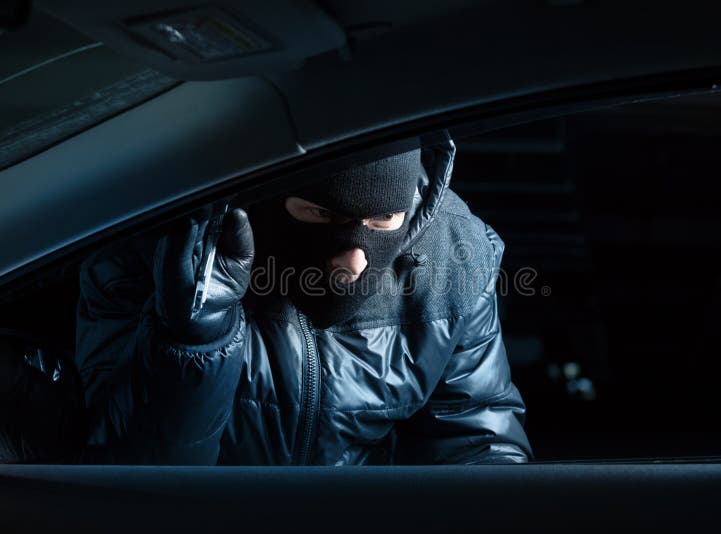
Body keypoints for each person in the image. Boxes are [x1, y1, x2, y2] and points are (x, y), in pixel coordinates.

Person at [76, 140, 532, 465]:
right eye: (322, 214)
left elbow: (477, 441)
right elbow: (133, 476)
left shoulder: (454, 256)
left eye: (383, 220)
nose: (353, 262)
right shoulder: (154, 248)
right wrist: (194, 341)